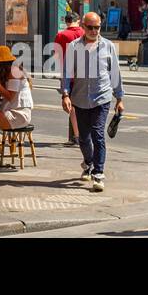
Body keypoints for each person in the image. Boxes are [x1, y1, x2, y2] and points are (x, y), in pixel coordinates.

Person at [60, 11, 125, 193]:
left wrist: (119, 98)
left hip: (101, 97)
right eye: (90, 27)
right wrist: (65, 94)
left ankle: (99, 173)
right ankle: (88, 161)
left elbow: (115, 73)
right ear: (83, 27)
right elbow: (66, 73)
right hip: (80, 98)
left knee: (98, 134)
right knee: (83, 138)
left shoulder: (108, 46)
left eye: (97, 27)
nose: (94, 31)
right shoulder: (74, 47)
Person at [54, 12, 84, 143]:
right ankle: (86, 134)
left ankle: (77, 135)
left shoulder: (61, 35)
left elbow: (56, 54)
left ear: (66, 22)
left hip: (69, 75)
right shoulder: (85, 32)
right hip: (86, 74)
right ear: (78, 20)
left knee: (72, 106)